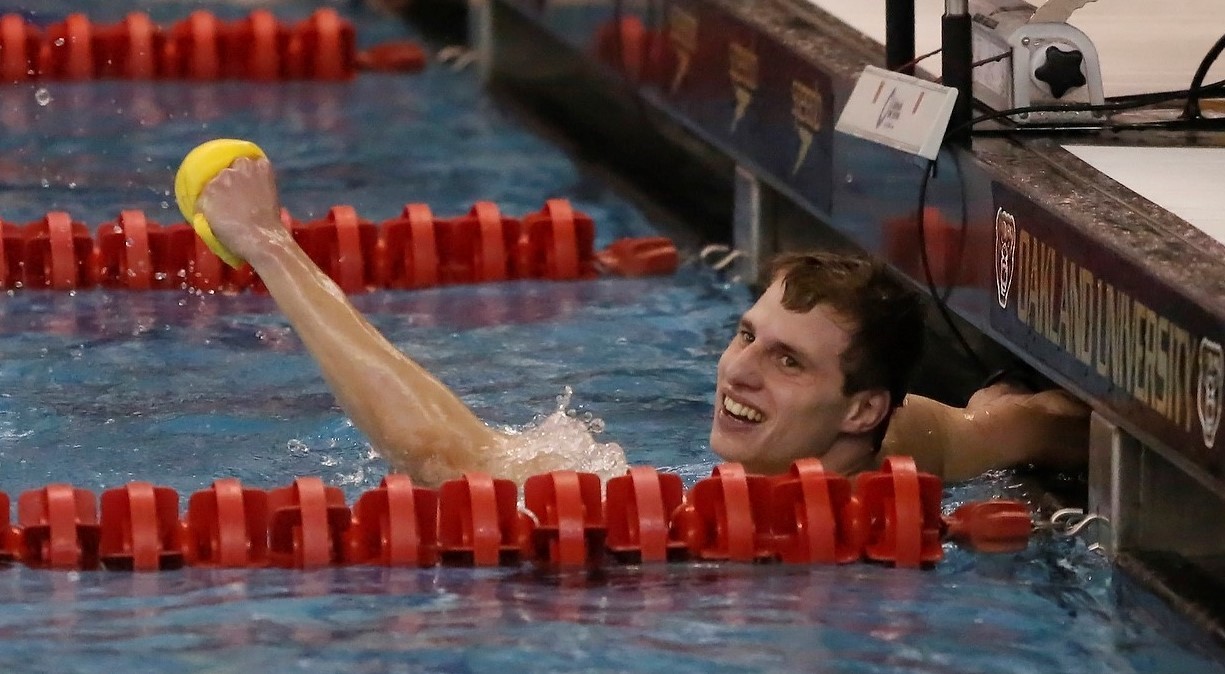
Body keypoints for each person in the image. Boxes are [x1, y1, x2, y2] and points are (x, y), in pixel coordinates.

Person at [197, 156, 1090, 486]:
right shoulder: (920, 441)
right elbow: (1028, 425)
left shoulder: (666, 509)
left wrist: (273, 246)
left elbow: (443, 457)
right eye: (746, 336)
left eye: (786, 363)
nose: (738, 371)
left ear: (863, 407)